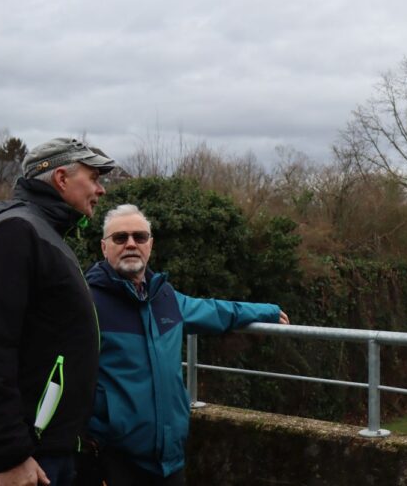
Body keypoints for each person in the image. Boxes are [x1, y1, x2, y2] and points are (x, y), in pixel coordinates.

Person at [80, 204, 289, 485]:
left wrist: (267, 311)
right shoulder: (86, 302)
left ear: (150, 245)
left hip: (170, 459)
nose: (131, 244)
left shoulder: (164, 296)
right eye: (120, 238)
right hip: (115, 460)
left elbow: (215, 311)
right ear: (104, 247)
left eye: (139, 237)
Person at [0, 137, 116, 486]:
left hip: (43, 451)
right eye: (94, 177)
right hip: (21, 460)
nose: (100, 189)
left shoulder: (41, 233)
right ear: (61, 178)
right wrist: (10, 454)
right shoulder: (18, 232)